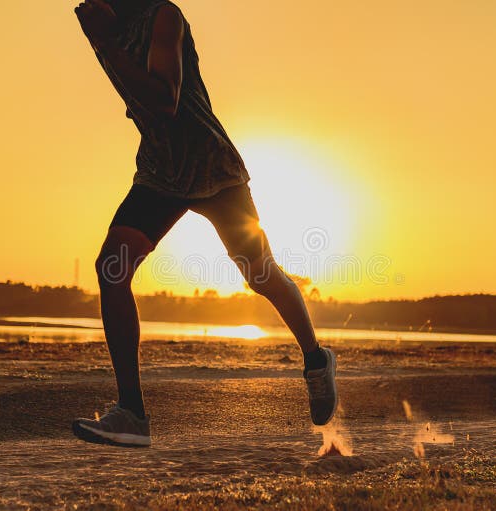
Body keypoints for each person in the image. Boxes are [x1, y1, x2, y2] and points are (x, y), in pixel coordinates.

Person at [72, 0, 337, 447]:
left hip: (210, 165)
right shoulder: (106, 25)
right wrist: (104, 38)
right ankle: (132, 414)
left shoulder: (163, 16)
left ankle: (316, 359)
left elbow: (164, 101)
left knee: (261, 275)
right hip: (161, 171)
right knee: (111, 270)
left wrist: (104, 43)